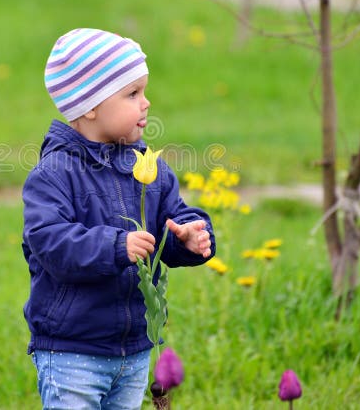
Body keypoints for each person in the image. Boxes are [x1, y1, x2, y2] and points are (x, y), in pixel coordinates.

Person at [22, 28, 216, 409]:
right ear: (90, 106)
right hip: (73, 349)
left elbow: (172, 217)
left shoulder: (147, 166)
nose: (146, 103)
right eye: (132, 94)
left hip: (133, 348)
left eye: (143, 91)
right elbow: (49, 241)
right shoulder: (55, 173)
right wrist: (116, 246)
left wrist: (188, 236)